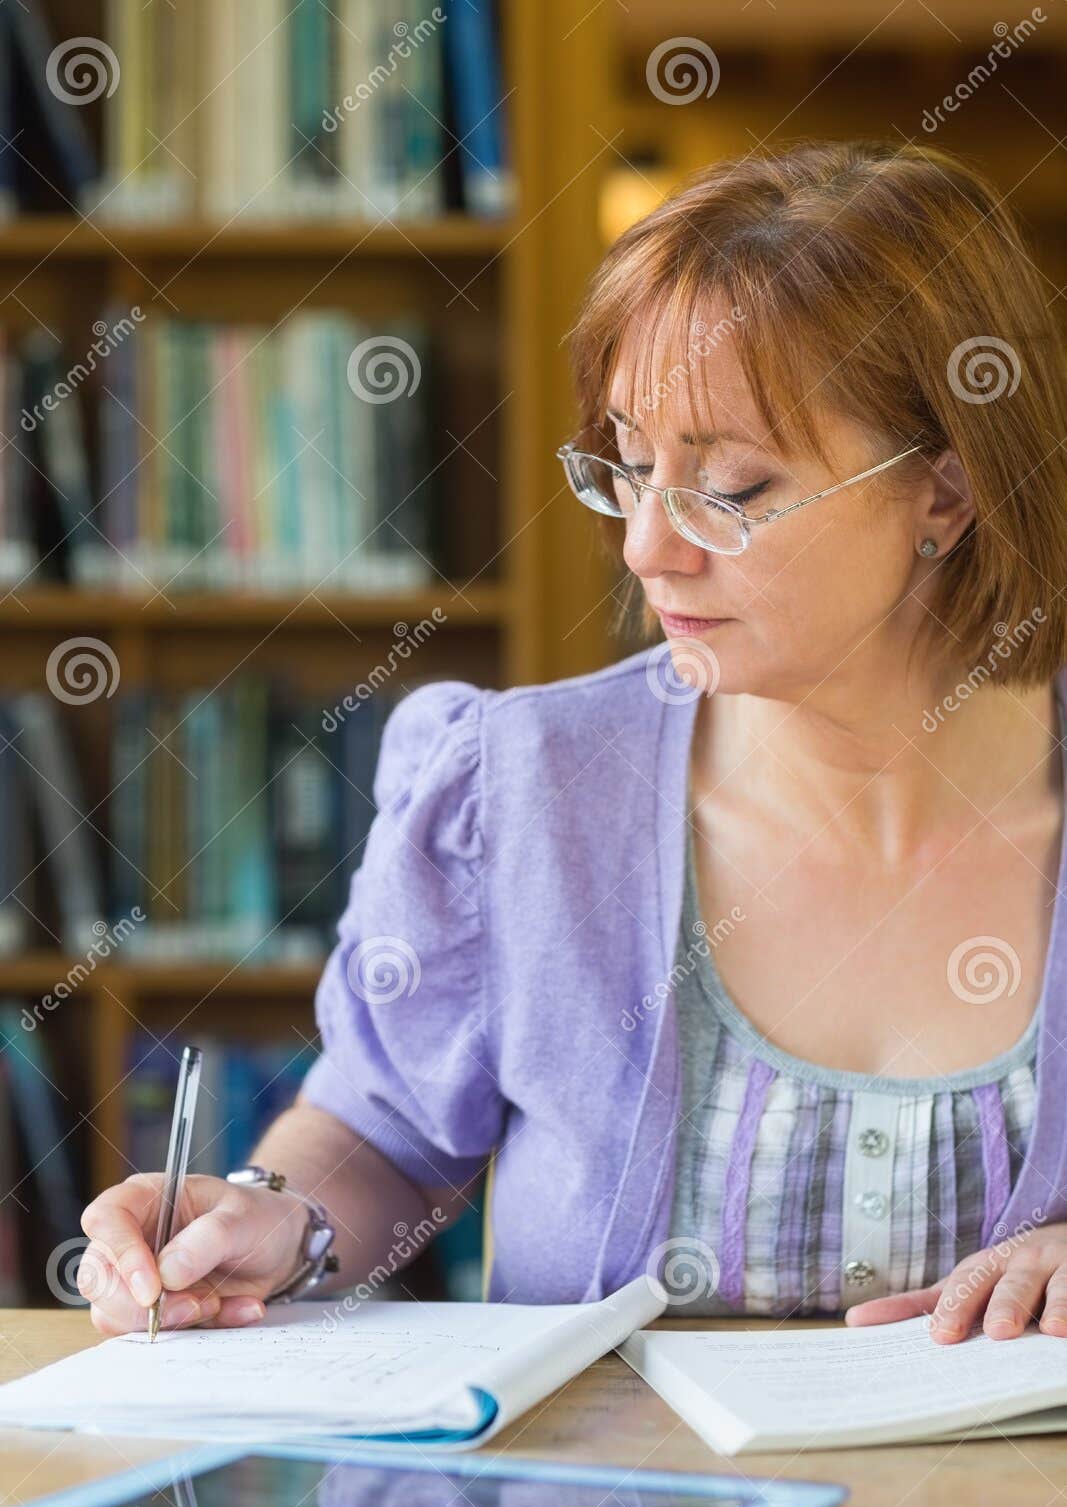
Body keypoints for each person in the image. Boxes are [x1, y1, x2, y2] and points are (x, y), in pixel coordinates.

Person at [80, 139, 1067, 1344]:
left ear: (946, 493)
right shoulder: (521, 786)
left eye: (732, 488)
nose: (647, 548)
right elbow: (382, 1135)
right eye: (628, 469)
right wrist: (268, 1215)